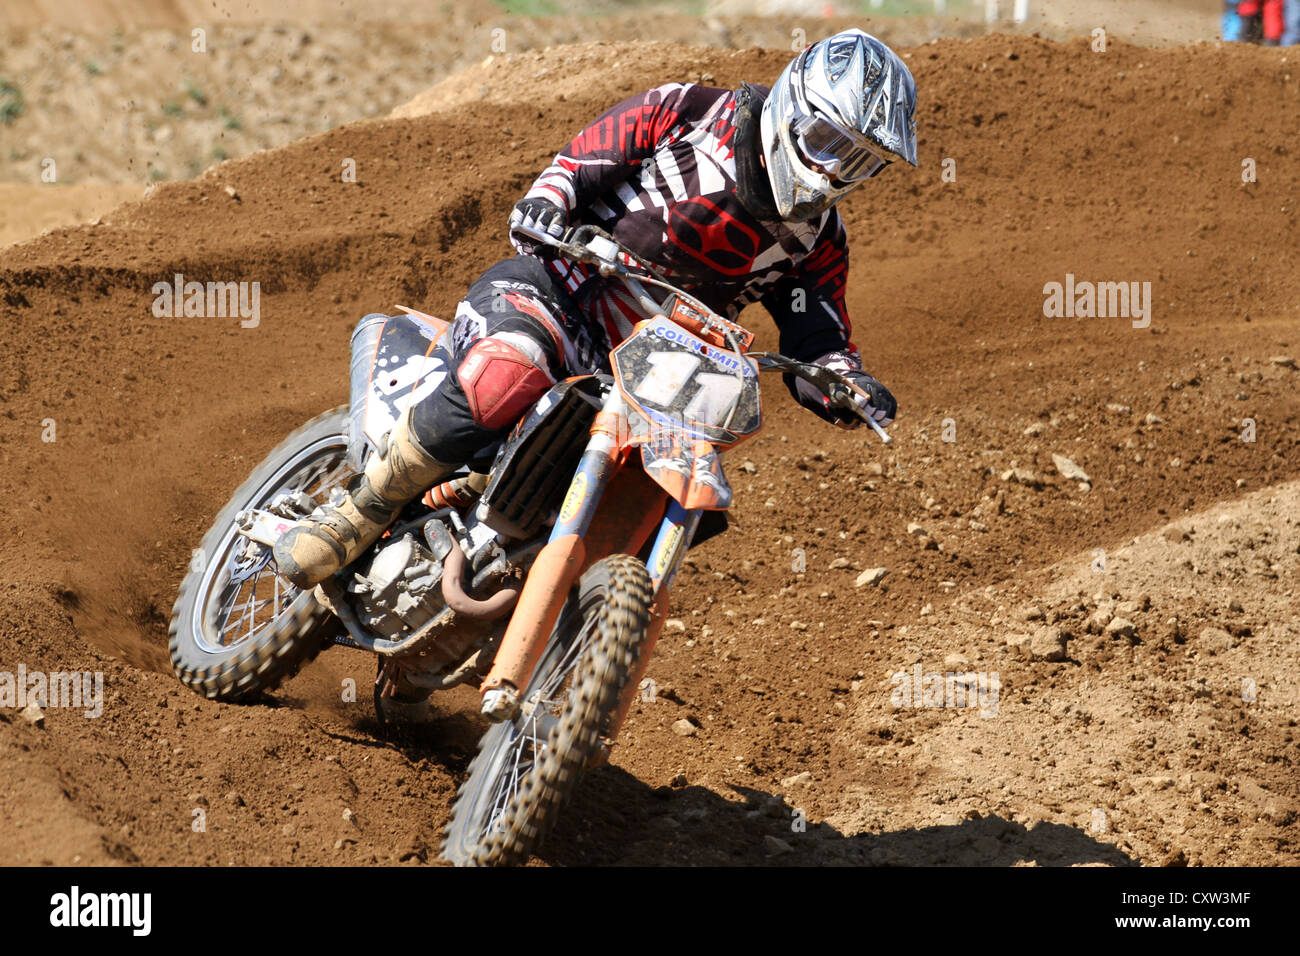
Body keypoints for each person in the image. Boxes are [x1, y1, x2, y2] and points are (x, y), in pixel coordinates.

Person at [274, 28, 917, 588]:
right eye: (829, 141)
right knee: (507, 376)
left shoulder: (819, 241)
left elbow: (817, 334)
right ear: (792, 106)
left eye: (861, 162)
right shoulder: (692, 111)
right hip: (563, 290)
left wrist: (845, 383)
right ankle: (357, 511)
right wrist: (548, 204)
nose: (836, 172)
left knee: (681, 501)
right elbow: (583, 160)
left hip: (655, 376)